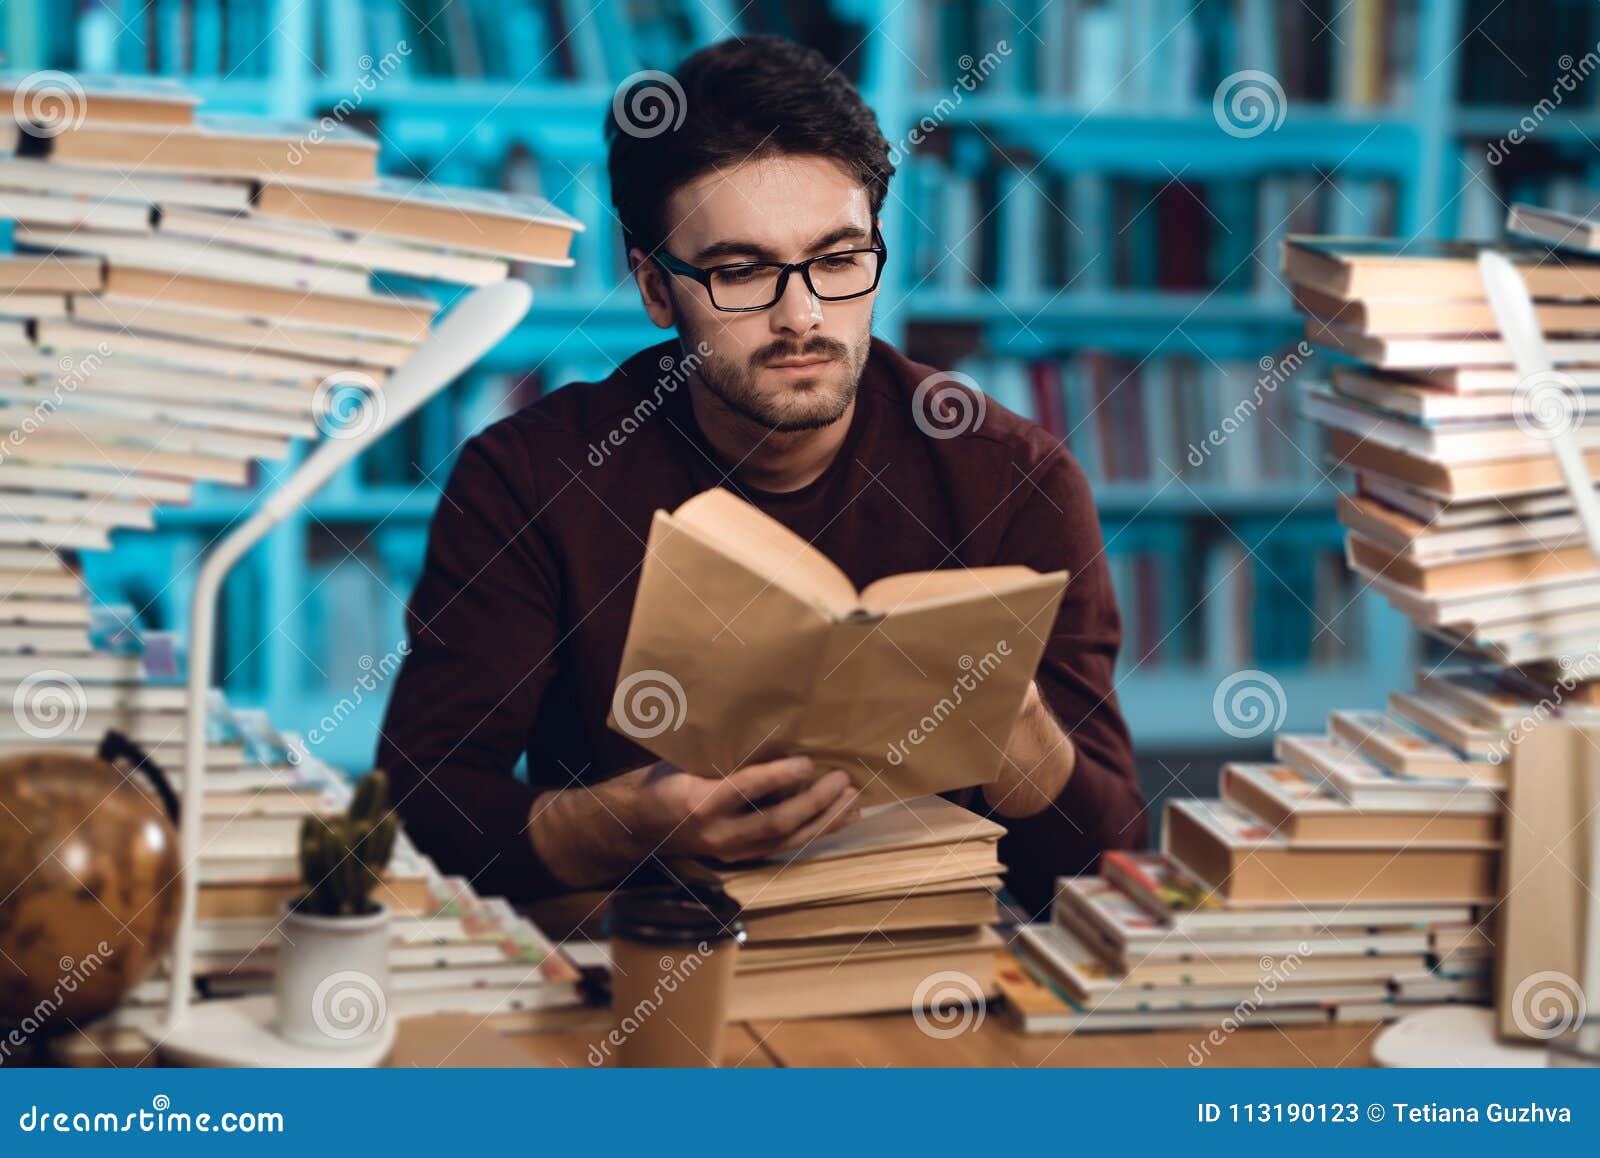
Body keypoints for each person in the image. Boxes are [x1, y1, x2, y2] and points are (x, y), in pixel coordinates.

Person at [376, 35, 1145, 917]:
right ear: (656, 290)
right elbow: (417, 812)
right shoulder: (531, 478)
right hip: (645, 969)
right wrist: (631, 822)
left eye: (838, 258)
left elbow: (1109, 867)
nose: (803, 316)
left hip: (923, 983)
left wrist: (1020, 735)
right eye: (740, 271)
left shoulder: (1017, 479)